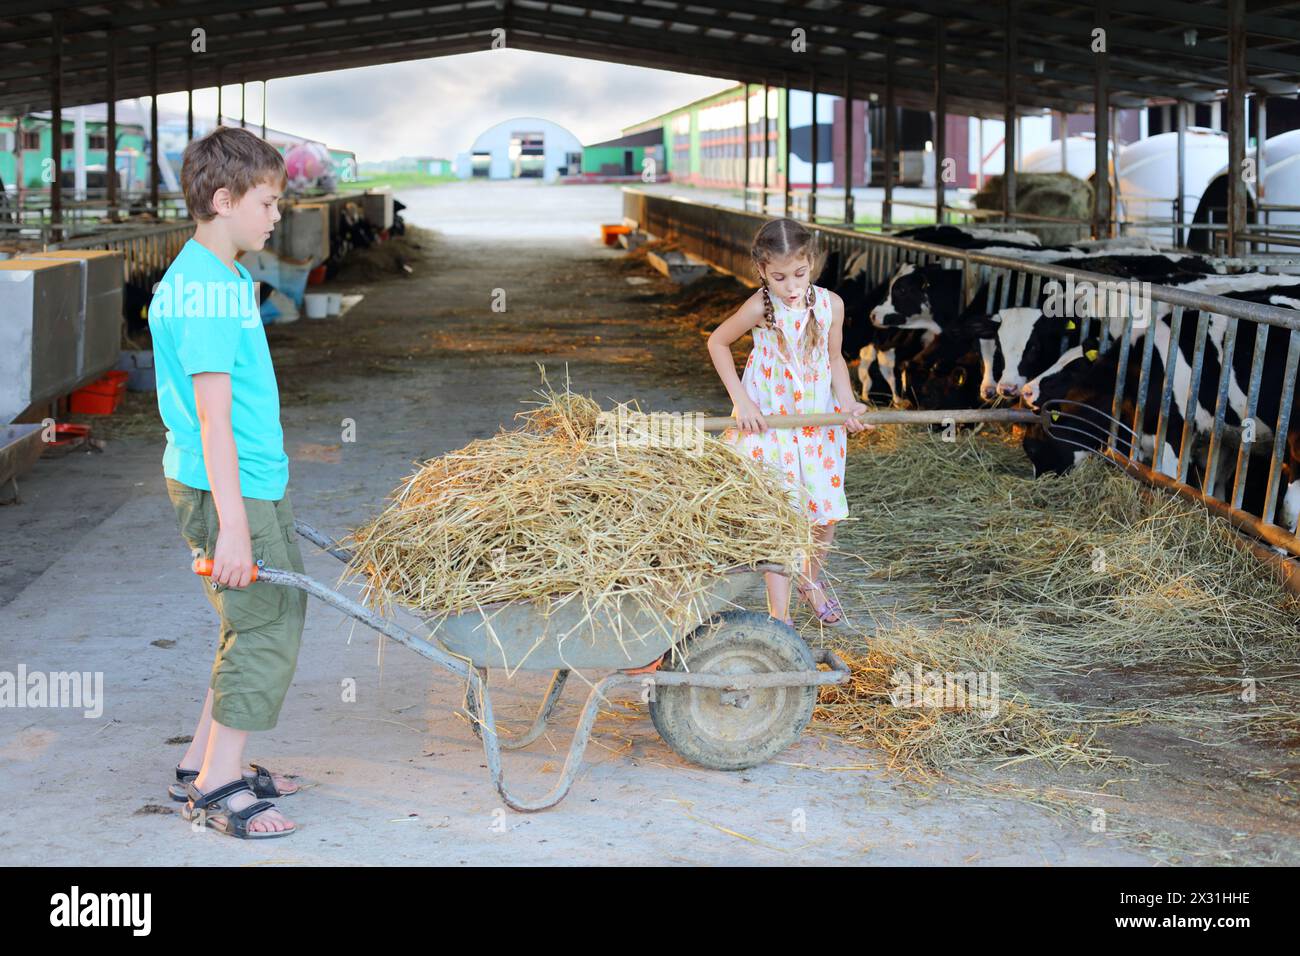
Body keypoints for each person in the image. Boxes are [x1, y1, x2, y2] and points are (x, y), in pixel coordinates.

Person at [148, 125, 305, 839]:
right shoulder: (206, 291)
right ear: (223, 198)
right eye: (269, 203)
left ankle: (203, 760)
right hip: (226, 488)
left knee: (245, 620)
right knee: (266, 623)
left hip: (237, 482)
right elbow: (213, 421)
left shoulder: (221, 275)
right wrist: (235, 524)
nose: (276, 216)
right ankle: (218, 788)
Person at [706, 217, 872, 628]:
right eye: (779, 277)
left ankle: (811, 582)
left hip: (817, 424)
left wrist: (848, 404)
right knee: (780, 518)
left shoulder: (831, 304)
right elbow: (717, 342)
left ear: (811, 263)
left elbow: (834, 359)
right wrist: (742, 402)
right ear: (762, 270)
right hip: (769, 422)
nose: (791, 286)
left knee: (824, 514)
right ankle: (780, 618)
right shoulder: (760, 306)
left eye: (799, 274)